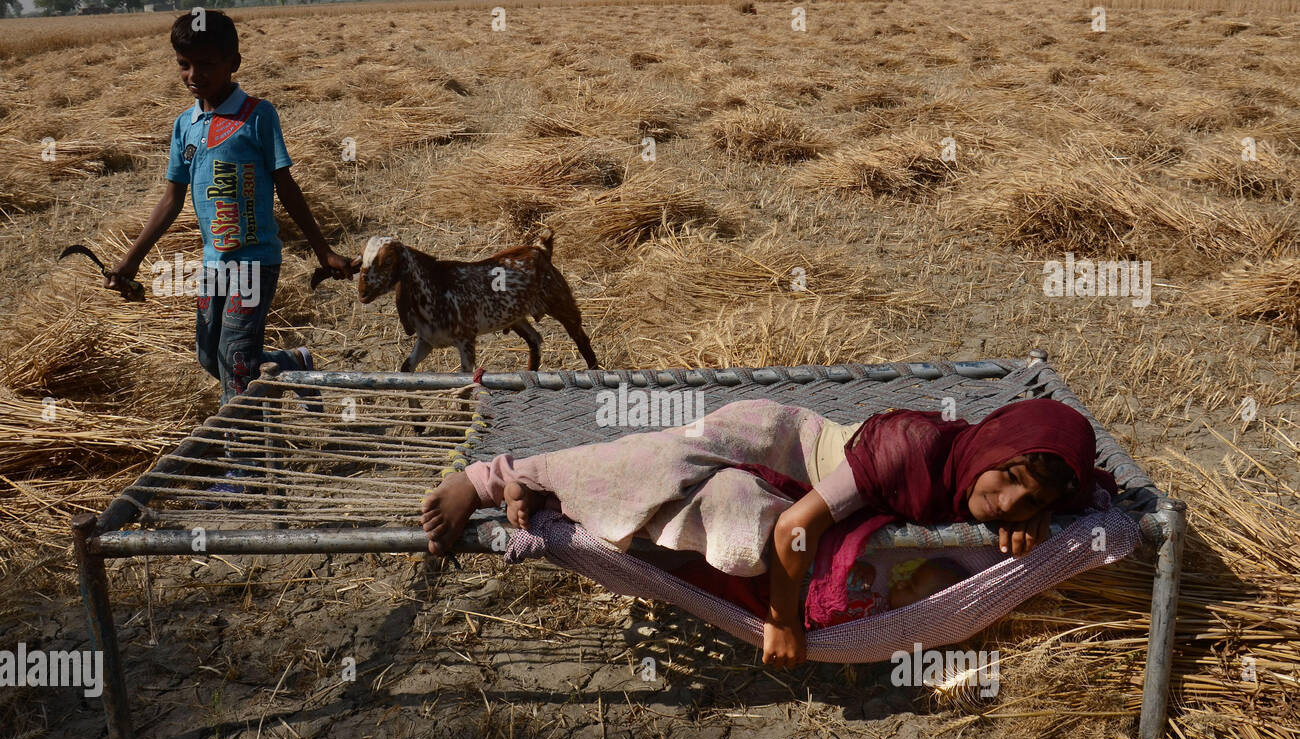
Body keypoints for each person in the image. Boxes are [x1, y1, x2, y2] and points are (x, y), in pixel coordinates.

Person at [420, 397, 1115, 668]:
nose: (1005, 502)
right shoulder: (912, 447)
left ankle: (553, 495)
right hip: (788, 447)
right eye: (1010, 478)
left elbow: (1098, 494)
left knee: (716, 516)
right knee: (661, 461)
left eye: (1028, 498)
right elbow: (794, 532)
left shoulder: (1015, 493)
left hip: (799, 494)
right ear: (993, 446)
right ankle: (492, 477)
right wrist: (784, 623)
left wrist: (1041, 517)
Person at [104, 10, 353, 493]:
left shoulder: (257, 115)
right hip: (213, 263)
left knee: (235, 362)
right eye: (183, 64)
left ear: (233, 62)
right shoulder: (186, 126)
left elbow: (287, 185)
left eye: (206, 65)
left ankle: (248, 469)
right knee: (210, 355)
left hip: (256, 262)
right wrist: (131, 260)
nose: (194, 76)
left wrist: (323, 250)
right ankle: (290, 363)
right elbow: (172, 198)